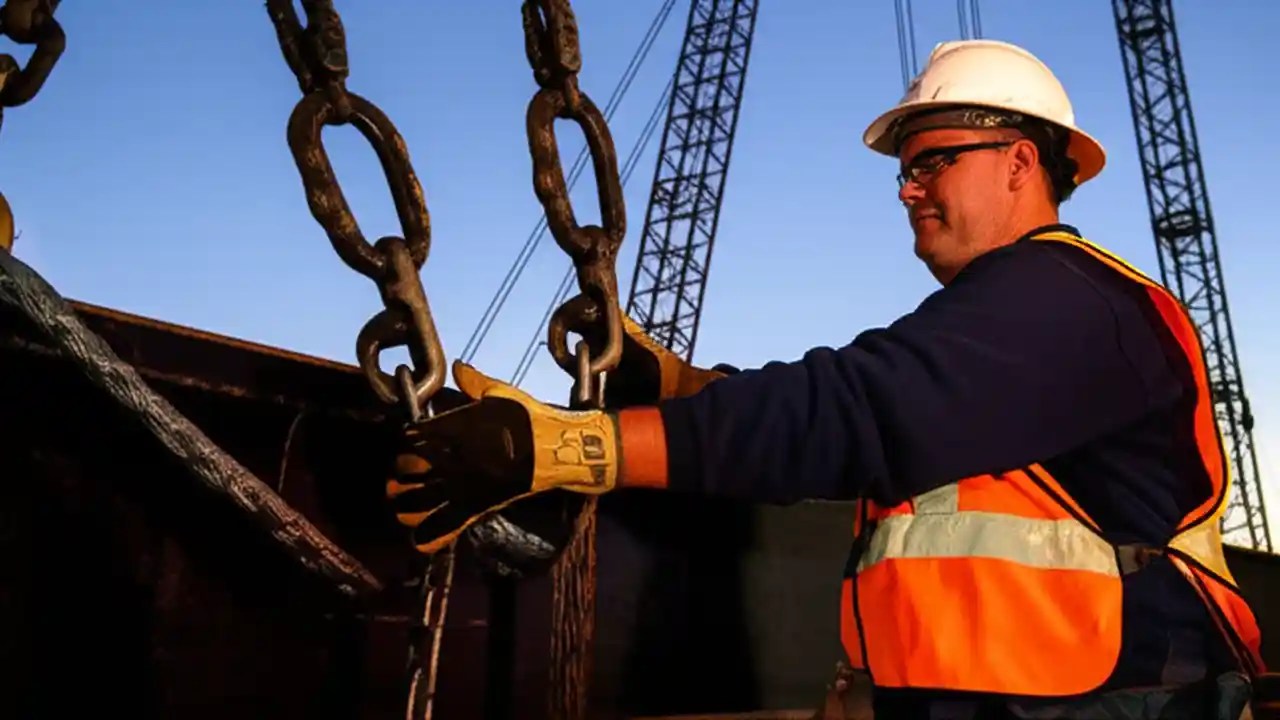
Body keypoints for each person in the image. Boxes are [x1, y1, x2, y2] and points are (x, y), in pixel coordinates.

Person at [386, 39, 1264, 718]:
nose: (908, 191)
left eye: (932, 162)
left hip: (1122, 696)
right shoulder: (1016, 323)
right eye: (903, 170)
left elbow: (858, 411)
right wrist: (687, 388)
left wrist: (577, 447)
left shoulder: (1069, 298)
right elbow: (900, 423)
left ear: (1020, 163)